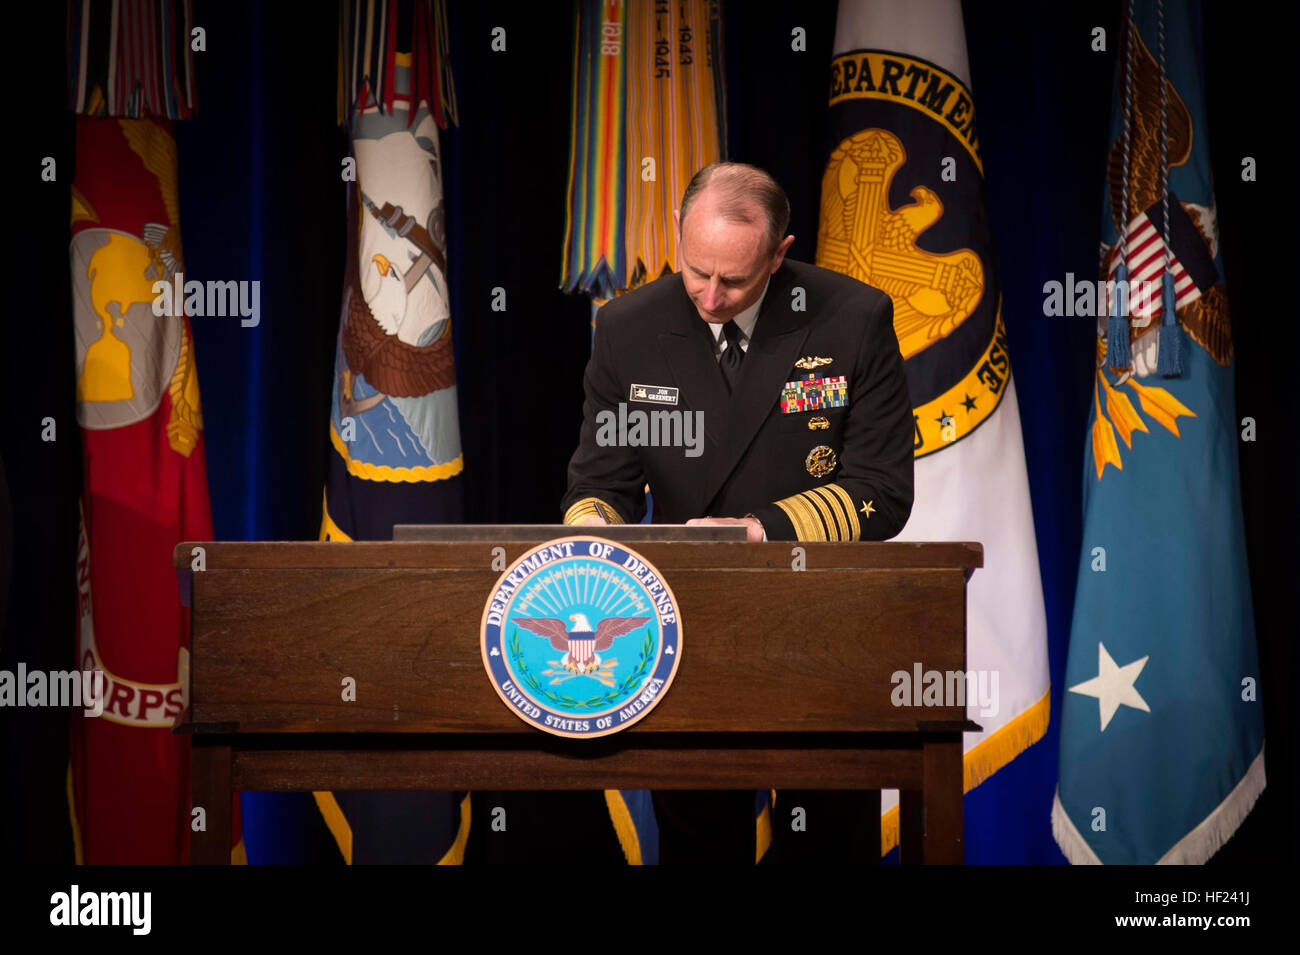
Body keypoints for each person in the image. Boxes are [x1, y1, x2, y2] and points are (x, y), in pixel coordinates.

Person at [561, 161, 914, 863]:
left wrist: (758, 531)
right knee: (699, 843)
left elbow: (881, 488)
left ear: (780, 254)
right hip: (689, 624)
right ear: (678, 235)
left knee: (830, 846)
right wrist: (591, 550)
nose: (711, 295)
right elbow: (600, 484)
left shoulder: (853, 318)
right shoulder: (628, 328)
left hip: (823, 627)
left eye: (734, 279)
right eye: (697, 271)